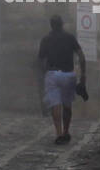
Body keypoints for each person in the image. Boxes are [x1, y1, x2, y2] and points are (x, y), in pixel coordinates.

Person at [37, 14, 86, 145]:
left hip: (52, 74)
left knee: (55, 104)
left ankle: (58, 133)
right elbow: (81, 55)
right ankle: (66, 131)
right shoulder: (70, 38)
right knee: (67, 105)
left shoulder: (46, 39)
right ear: (62, 24)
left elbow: (41, 60)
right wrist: (83, 75)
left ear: (51, 25)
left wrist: (43, 75)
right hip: (68, 74)